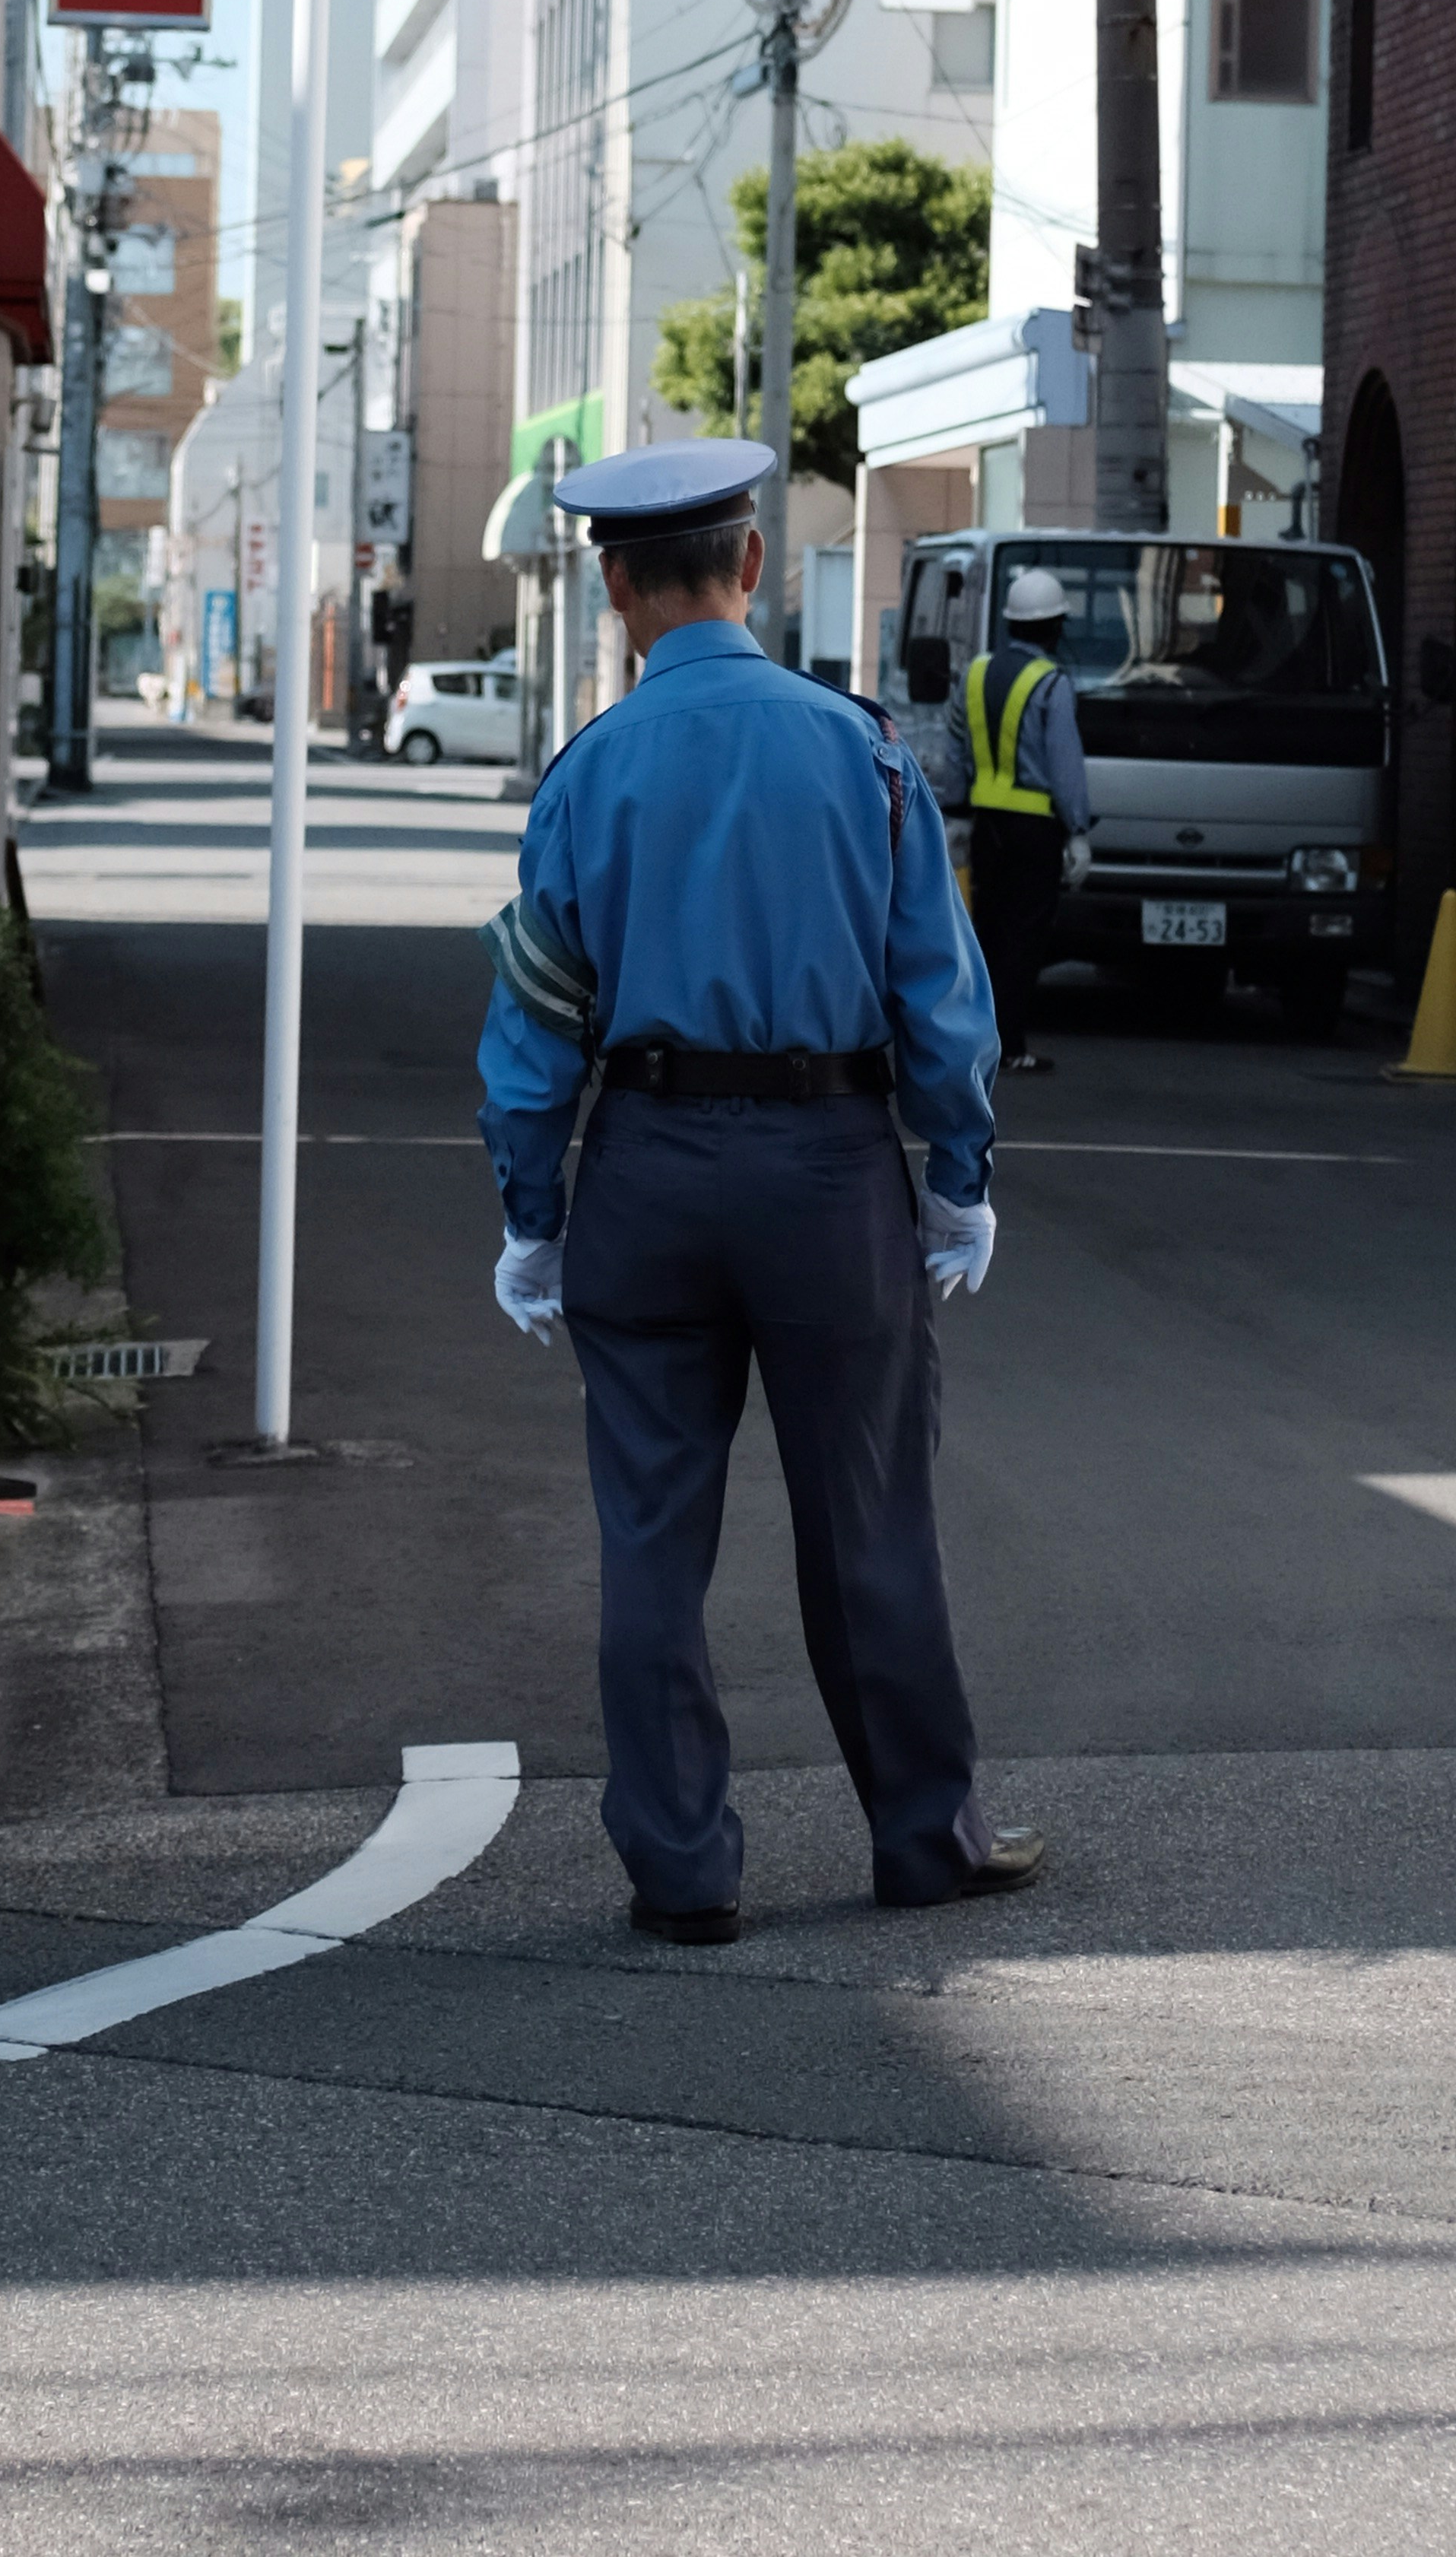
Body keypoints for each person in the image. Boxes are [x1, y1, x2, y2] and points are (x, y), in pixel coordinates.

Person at [474, 440, 1045, 1945]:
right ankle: (926, 1835)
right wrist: (959, 1178)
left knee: (652, 1531)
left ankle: (681, 1869)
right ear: (754, 565)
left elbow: (534, 1026)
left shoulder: (588, 774)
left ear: (612, 588)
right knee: (868, 1513)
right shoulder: (862, 757)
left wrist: (534, 1214)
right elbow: (942, 998)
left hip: (648, 1173)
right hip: (828, 1171)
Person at [947, 564, 1093, 1078]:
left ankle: (975, 1042)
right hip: (1035, 832)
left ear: (1011, 622)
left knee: (986, 934)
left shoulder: (976, 672)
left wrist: (959, 811)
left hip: (986, 828)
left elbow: (955, 746)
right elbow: (1065, 765)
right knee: (1023, 940)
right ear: (1054, 627)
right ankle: (1011, 1048)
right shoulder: (1052, 684)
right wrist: (1078, 831)